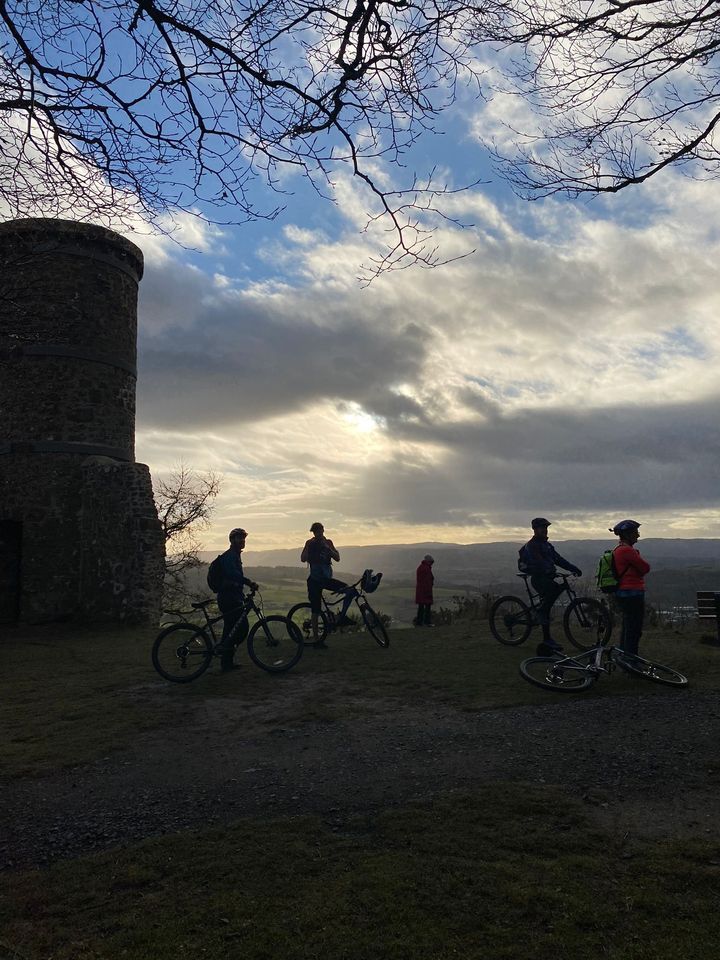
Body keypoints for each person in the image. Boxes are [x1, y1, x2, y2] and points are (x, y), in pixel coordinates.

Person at [518, 517, 582, 654]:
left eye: (546, 527)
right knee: (546, 605)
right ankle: (546, 638)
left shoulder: (547, 545)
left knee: (549, 599)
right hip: (538, 579)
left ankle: (543, 621)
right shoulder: (532, 545)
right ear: (535, 529)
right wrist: (549, 569)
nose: (545, 530)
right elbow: (538, 561)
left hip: (547, 578)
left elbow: (559, 559)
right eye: (542, 527)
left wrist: (573, 568)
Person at [300, 522, 354, 648]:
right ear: (314, 533)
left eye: (319, 531)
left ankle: (341, 617)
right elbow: (303, 558)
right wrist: (309, 548)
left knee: (349, 590)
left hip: (323, 579)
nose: (318, 533)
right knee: (315, 610)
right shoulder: (310, 543)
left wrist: (328, 550)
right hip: (315, 581)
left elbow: (337, 558)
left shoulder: (327, 543)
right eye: (316, 532)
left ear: (322, 531)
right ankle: (317, 640)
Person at [215, 527, 258, 672]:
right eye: (239, 538)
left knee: (231, 629)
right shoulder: (230, 556)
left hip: (232, 596)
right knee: (241, 628)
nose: (242, 541)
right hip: (228, 598)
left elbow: (235, 578)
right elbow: (233, 575)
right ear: (232, 540)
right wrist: (249, 582)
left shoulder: (235, 555)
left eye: (243, 538)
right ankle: (225, 655)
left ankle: (226, 662)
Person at [610, 519, 650, 658]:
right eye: (635, 532)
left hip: (623, 592)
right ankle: (631, 660)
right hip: (632, 592)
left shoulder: (619, 549)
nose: (638, 535)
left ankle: (624, 657)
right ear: (627, 534)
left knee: (628, 626)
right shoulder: (627, 550)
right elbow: (645, 567)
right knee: (634, 629)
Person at [414, 554, 435, 626]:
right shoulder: (426, 569)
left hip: (421, 590)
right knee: (427, 607)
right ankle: (427, 622)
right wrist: (428, 591)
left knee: (421, 607)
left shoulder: (421, 567)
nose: (432, 564)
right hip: (425, 591)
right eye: (431, 562)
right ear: (429, 561)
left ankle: (419, 622)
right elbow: (428, 581)